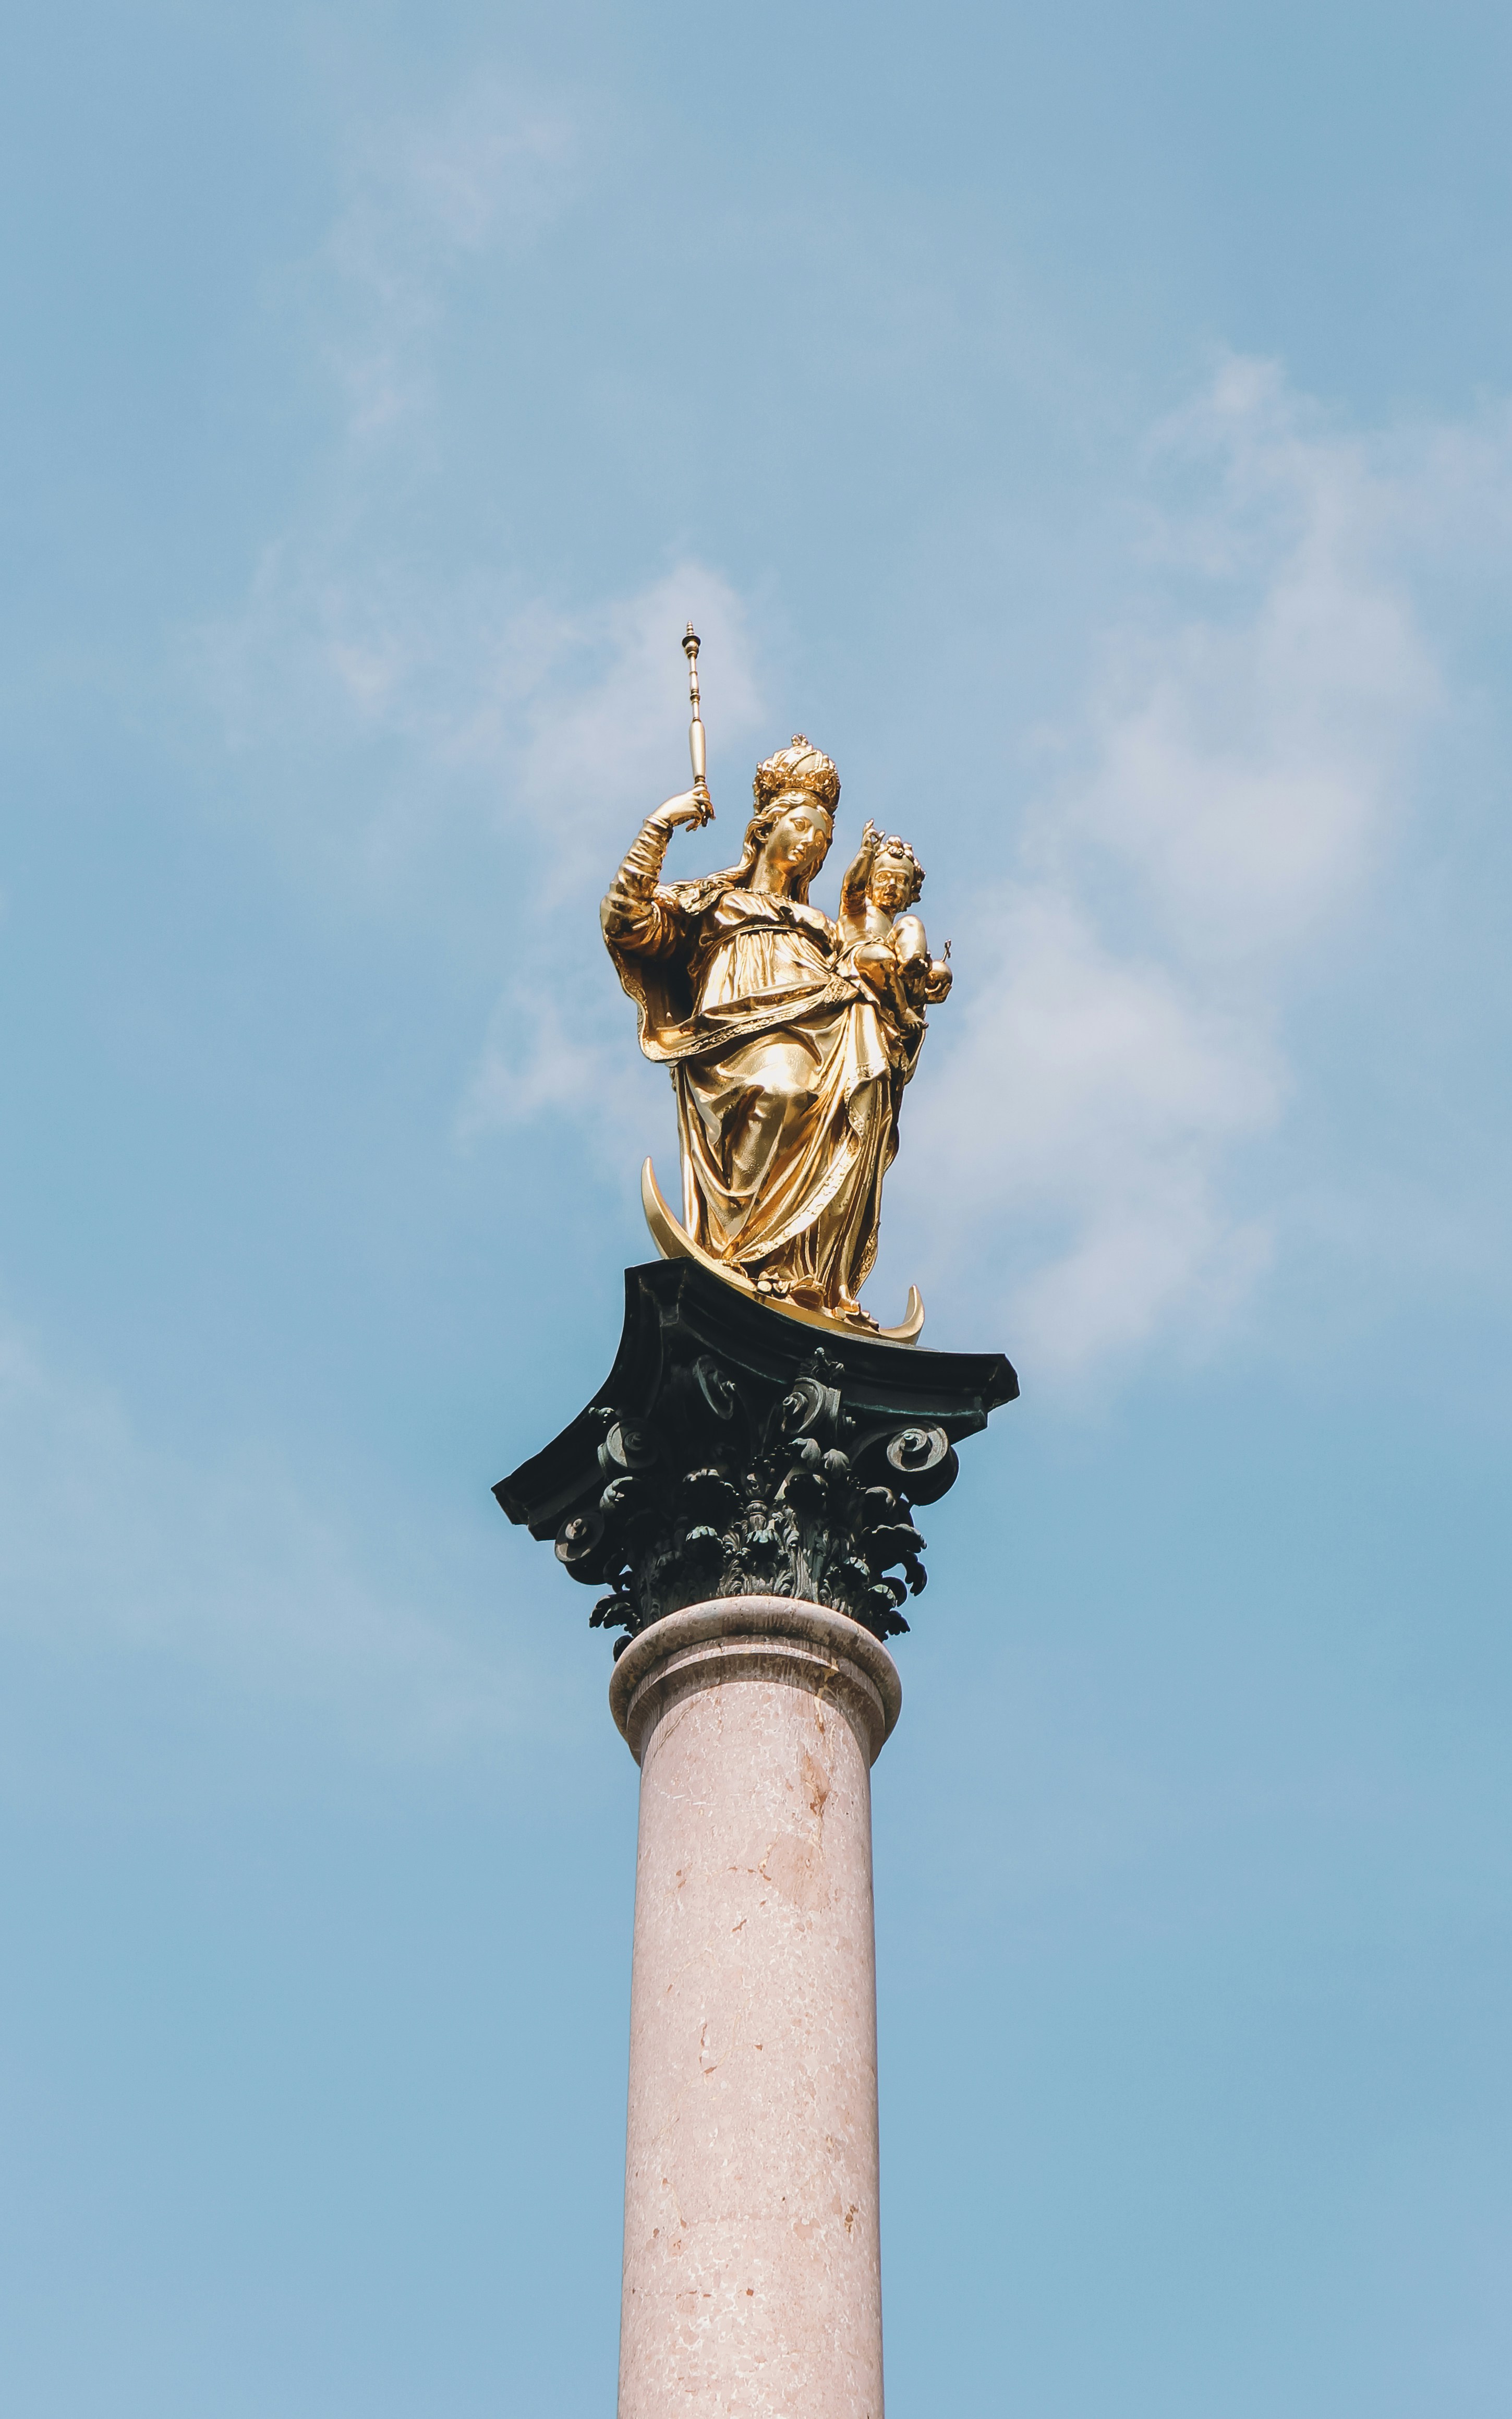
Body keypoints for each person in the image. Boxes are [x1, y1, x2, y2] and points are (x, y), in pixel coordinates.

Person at [601, 736, 908, 1326]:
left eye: (823, 835)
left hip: (830, 1025)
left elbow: (876, 974)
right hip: (740, 1039)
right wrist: (661, 823)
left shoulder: (820, 925)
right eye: (801, 823)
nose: (813, 841)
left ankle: (804, 1273)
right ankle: (739, 1251)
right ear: (764, 828)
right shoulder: (714, 903)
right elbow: (627, 919)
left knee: (856, 1107)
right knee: (779, 1089)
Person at [836, 821, 952, 1047]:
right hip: (859, 958)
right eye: (883, 878)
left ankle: (913, 964)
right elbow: (851, 887)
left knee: (911, 924)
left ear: (911, 894)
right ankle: (902, 1010)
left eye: (901, 881)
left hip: (891, 969)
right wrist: (866, 853)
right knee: (881, 956)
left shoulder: (897, 929)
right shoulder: (858, 908)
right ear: (869, 883)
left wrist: (928, 985)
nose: (891, 885)